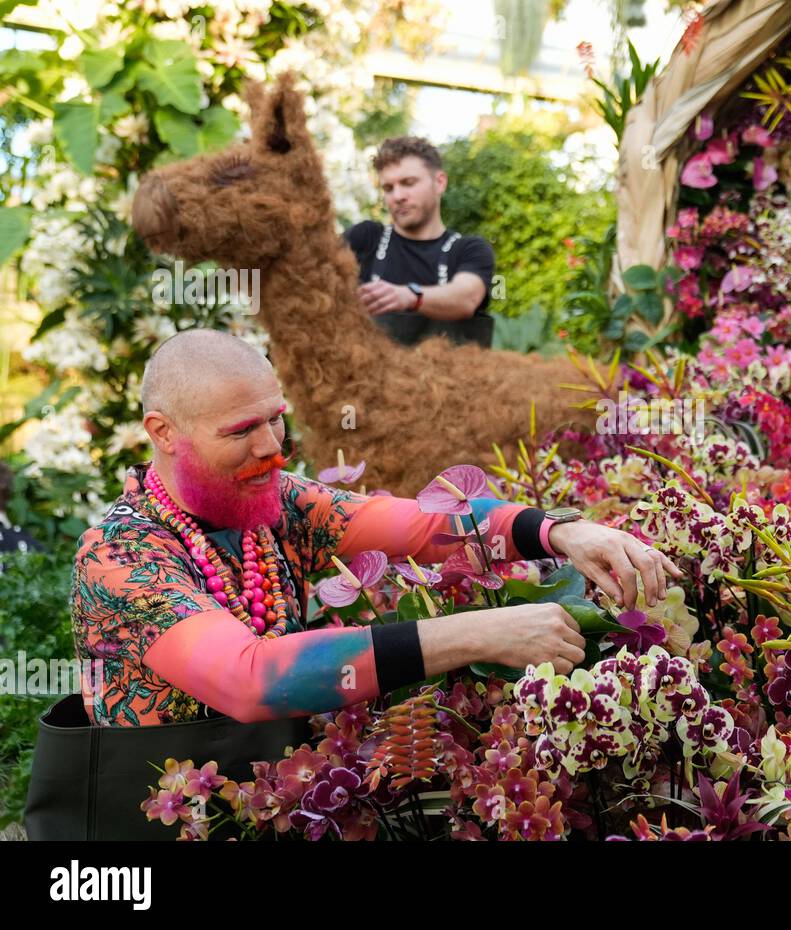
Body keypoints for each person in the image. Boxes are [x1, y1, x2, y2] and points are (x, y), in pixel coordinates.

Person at [69, 328, 679, 727]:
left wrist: (561, 533)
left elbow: (419, 527)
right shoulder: (119, 556)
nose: (271, 449)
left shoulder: (272, 499)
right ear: (164, 432)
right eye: (240, 431)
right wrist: (475, 634)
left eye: (275, 420)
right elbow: (252, 679)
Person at [344, 136, 496, 348]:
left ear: (440, 182)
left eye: (408, 183)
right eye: (388, 188)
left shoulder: (469, 249)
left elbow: (467, 297)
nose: (397, 196)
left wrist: (409, 296)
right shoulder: (365, 239)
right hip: (368, 379)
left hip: (451, 379)